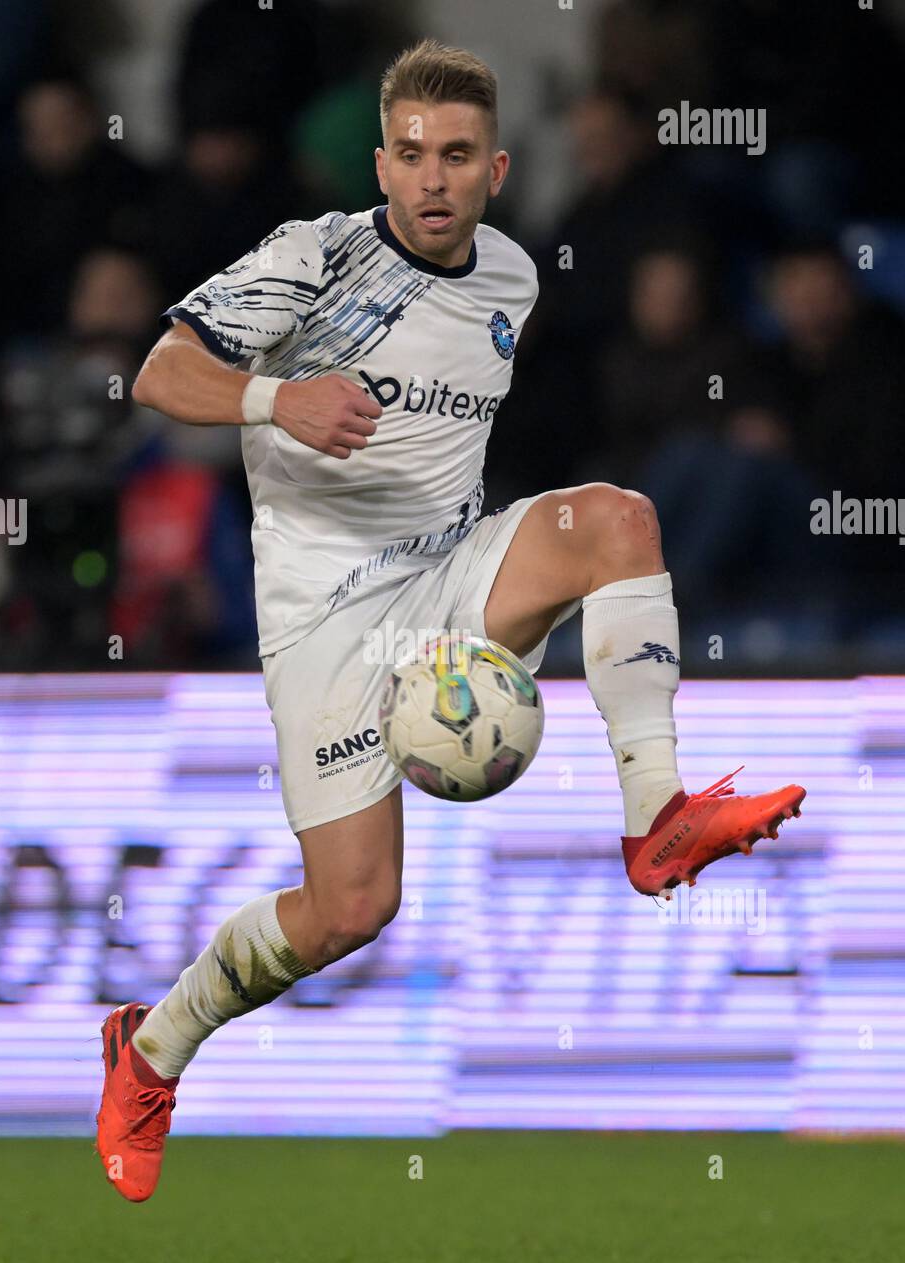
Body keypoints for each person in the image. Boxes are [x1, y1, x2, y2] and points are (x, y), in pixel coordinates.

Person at [96, 39, 805, 1202]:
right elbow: (160, 373)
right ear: (382, 162)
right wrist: (280, 396)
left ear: (495, 170)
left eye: (458, 157)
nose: (432, 178)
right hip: (325, 616)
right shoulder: (312, 260)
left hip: (448, 579)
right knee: (350, 909)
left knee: (622, 520)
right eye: (413, 155)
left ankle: (658, 818)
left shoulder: (514, 280)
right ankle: (152, 1045)